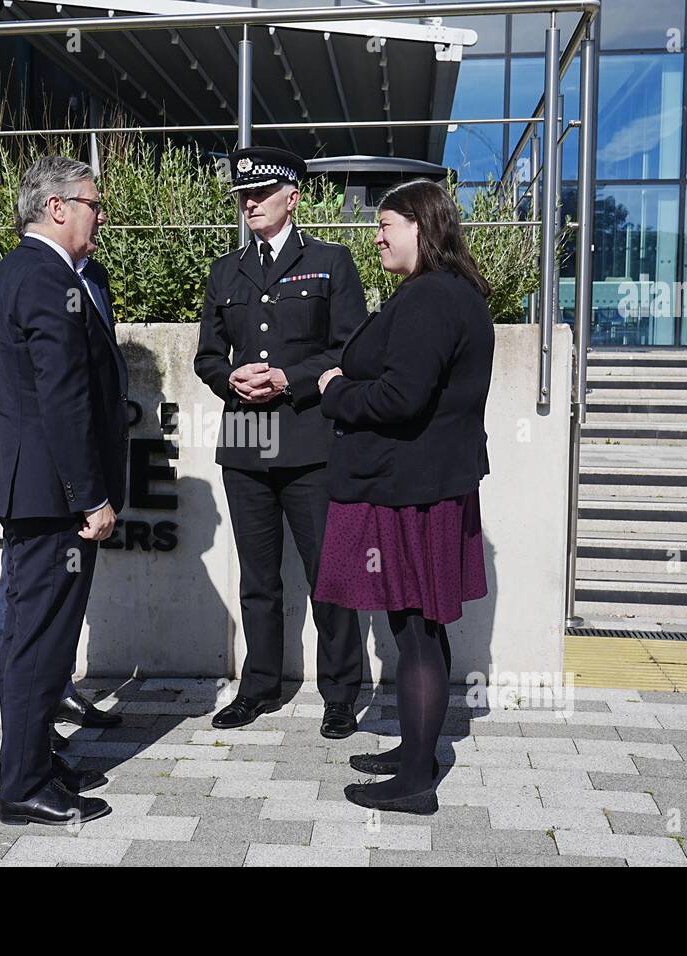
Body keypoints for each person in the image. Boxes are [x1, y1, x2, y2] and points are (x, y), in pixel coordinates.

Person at [314, 178, 494, 815]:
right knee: (419, 625)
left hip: (407, 491)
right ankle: (416, 749)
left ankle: (416, 778)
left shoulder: (427, 299)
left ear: (423, 225)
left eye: (388, 224)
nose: (378, 235)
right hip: (426, 486)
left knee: (414, 631)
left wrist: (333, 389)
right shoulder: (455, 294)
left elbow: (399, 397)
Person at [194, 146, 367, 738]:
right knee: (257, 576)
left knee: (329, 574)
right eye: (243, 195)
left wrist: (287, 379)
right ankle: (260, 685)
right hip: (245, 435)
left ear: (293, 197)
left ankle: (340, 692)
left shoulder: (330, 261)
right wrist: (230, 378)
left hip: (310, 436)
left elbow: (351, 348)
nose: (249, 202)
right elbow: (208, 356)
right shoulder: (226, 269)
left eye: (261, 193)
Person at [0, 155, 129, 826]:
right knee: (37, 643)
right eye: (95, 204)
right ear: (59, 207)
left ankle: (38, 761)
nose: (102, 216)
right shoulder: (43, 277)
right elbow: (62, 401)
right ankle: (23, 787)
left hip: (41, 492)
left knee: (42, 639)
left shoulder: (30, 271)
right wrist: (90, 496)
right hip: (52, 498)